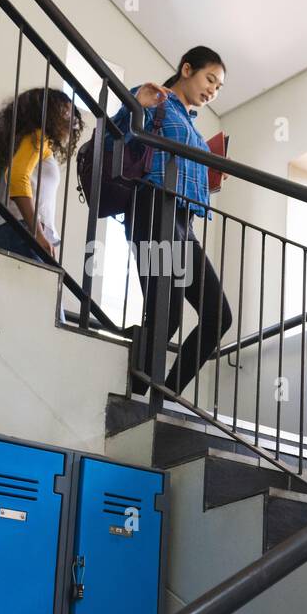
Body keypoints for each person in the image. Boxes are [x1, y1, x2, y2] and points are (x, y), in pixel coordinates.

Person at [111, 46, 232, 396]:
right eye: (210, 79)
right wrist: (138, 104)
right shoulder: (157, 101)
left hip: (181, 225)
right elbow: (117, 134)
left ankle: (164, 395)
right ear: (186, 69)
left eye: (219, 87)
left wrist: (210, 179)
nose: (213, 90)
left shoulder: (194, 128)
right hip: (152, 214)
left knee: (218, 316)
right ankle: (135, 396)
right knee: (167, 315)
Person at [0, 88, 85, 263]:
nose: (71, 123)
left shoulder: (19, 143)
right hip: (19, 233)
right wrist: (37, 233)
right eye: (67, 114)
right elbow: (16, 176)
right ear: (51, 112)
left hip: (8, 231)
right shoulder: (38, 137)